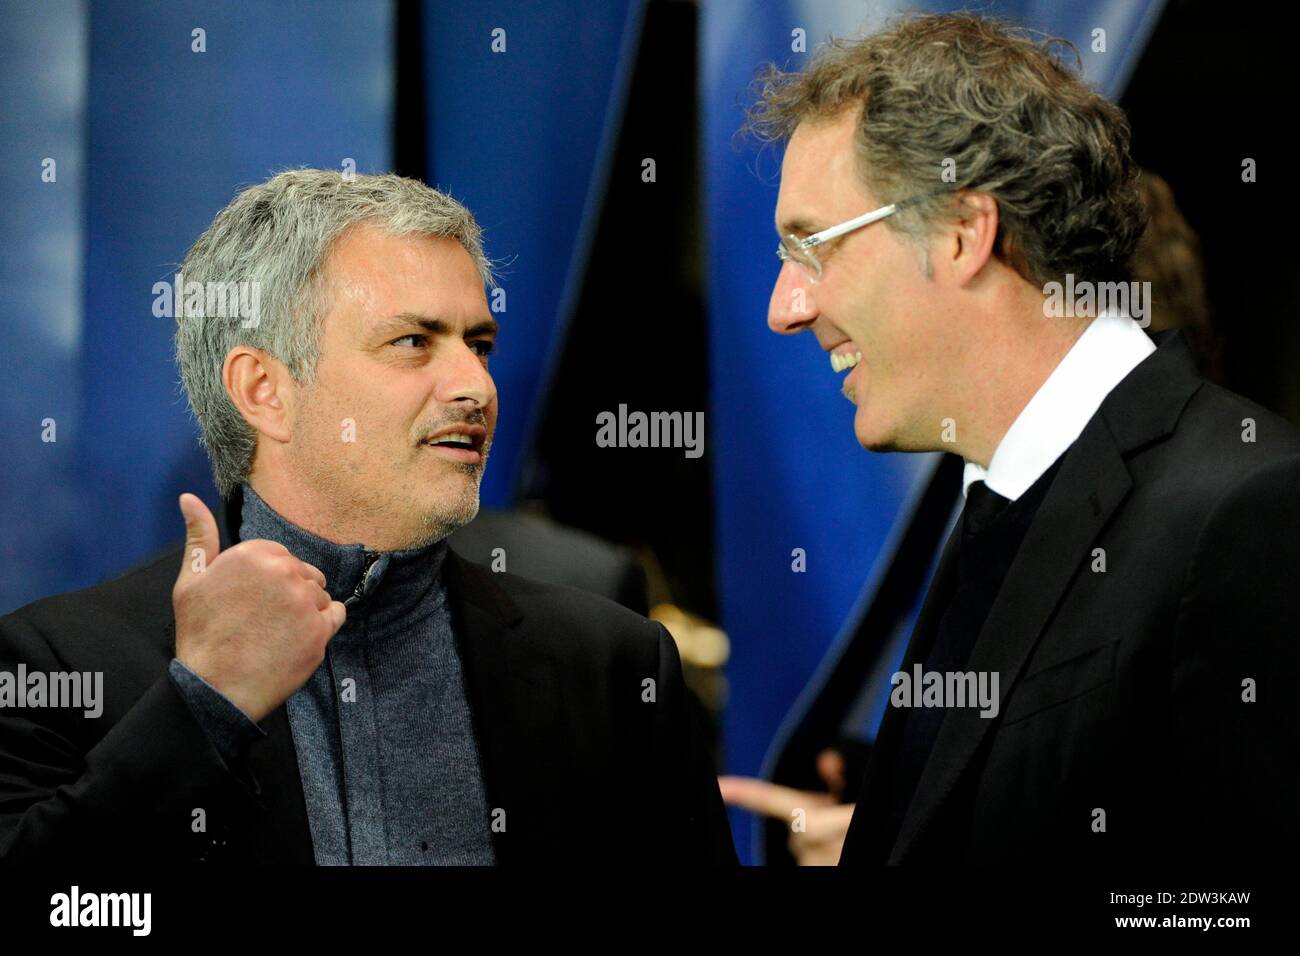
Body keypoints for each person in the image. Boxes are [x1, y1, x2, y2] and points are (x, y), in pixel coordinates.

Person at [0, 170, 736, 866]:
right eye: (414, 342)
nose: (476, 385)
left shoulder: (614, 665)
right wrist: (204, 711)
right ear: (263, 390)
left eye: (479, 344)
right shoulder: (58, 666)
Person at [739, 12, 1300, 864]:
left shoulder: (1246, 507)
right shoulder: (998, 502)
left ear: (963, 232)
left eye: (811, 247)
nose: (786, 307)